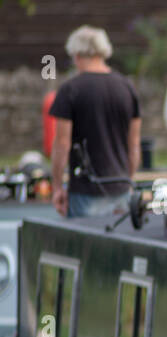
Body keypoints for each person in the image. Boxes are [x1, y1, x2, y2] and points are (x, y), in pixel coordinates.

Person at [49, 25, 141, 219]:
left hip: (85, 190)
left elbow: (62, 144)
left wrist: (57, 186)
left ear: (77, 54)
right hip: (120, 187)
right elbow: (134, 144)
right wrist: (128, 180)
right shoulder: (127, 87)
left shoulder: (70, 89)